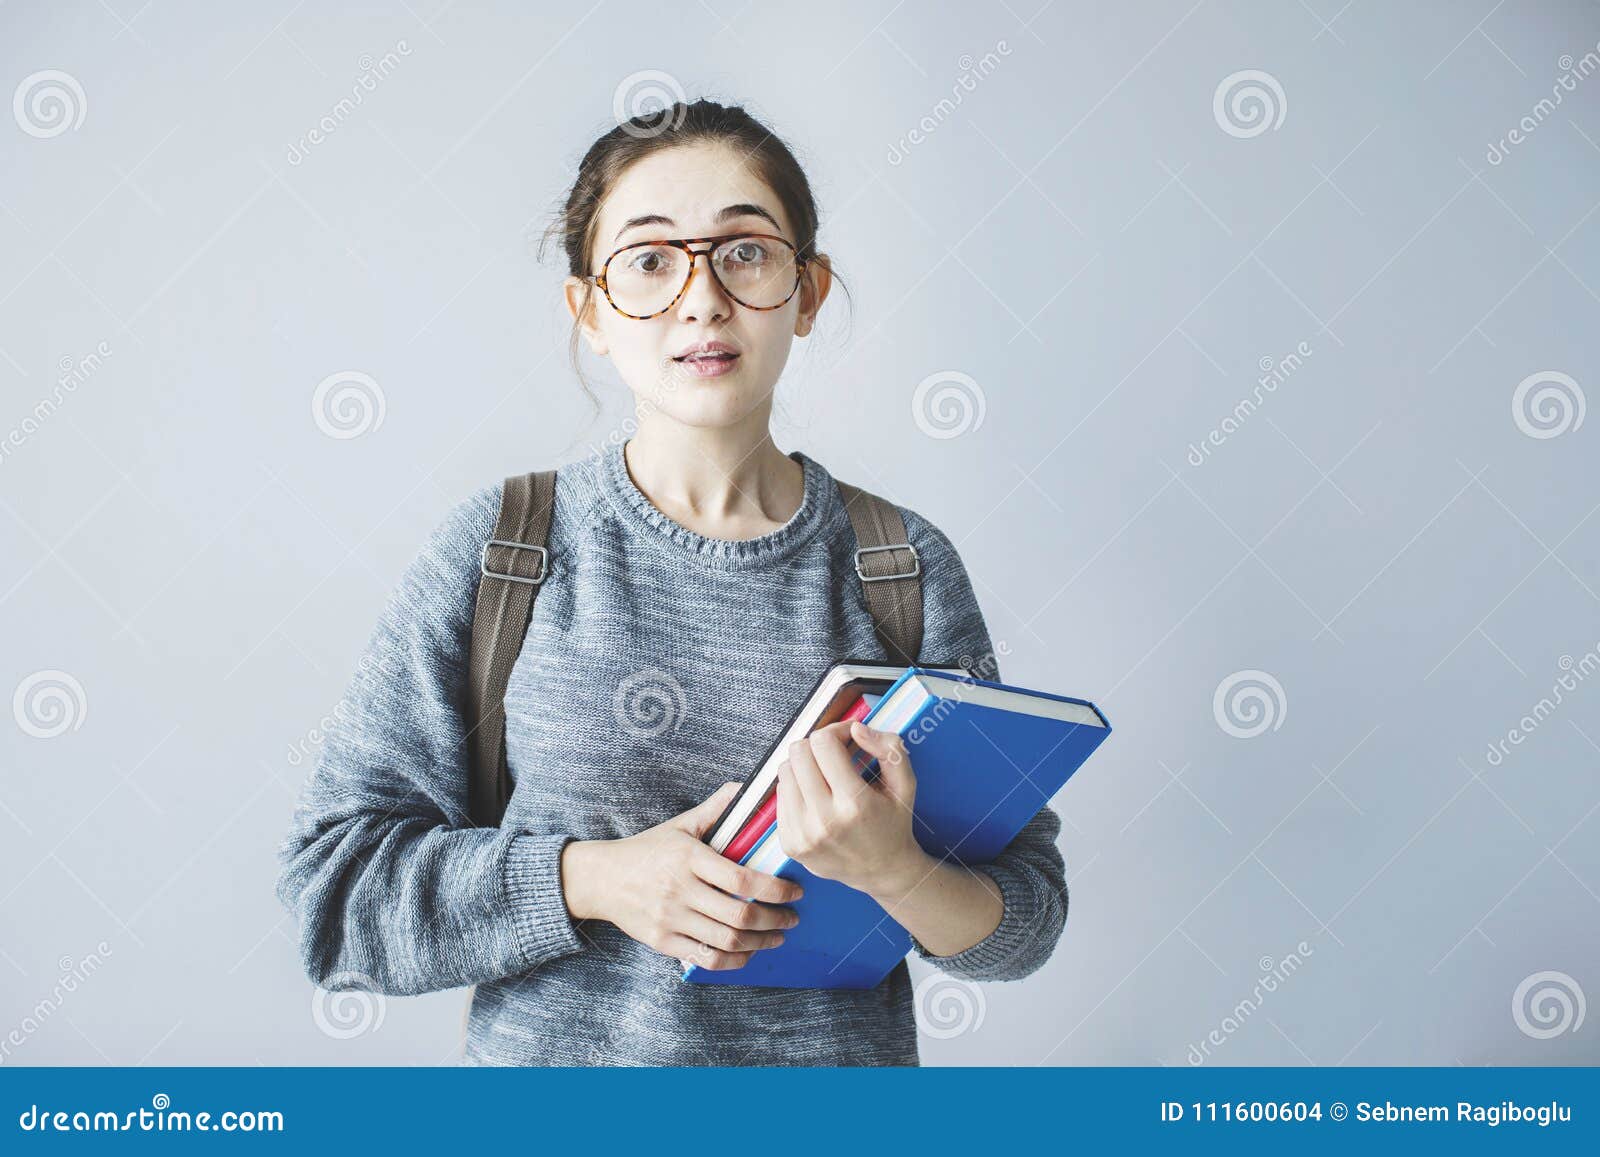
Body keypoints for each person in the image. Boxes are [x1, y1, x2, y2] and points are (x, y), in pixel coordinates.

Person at [275, 98, 1068, 1066]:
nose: (701, 299)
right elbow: (333, 899)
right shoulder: (503, 550)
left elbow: (1024, 924)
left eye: (746, 252)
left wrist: (895, 869)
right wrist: (592, 881)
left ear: (807, 290)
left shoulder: (900, 563)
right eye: (649, 260)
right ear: (591, 311)